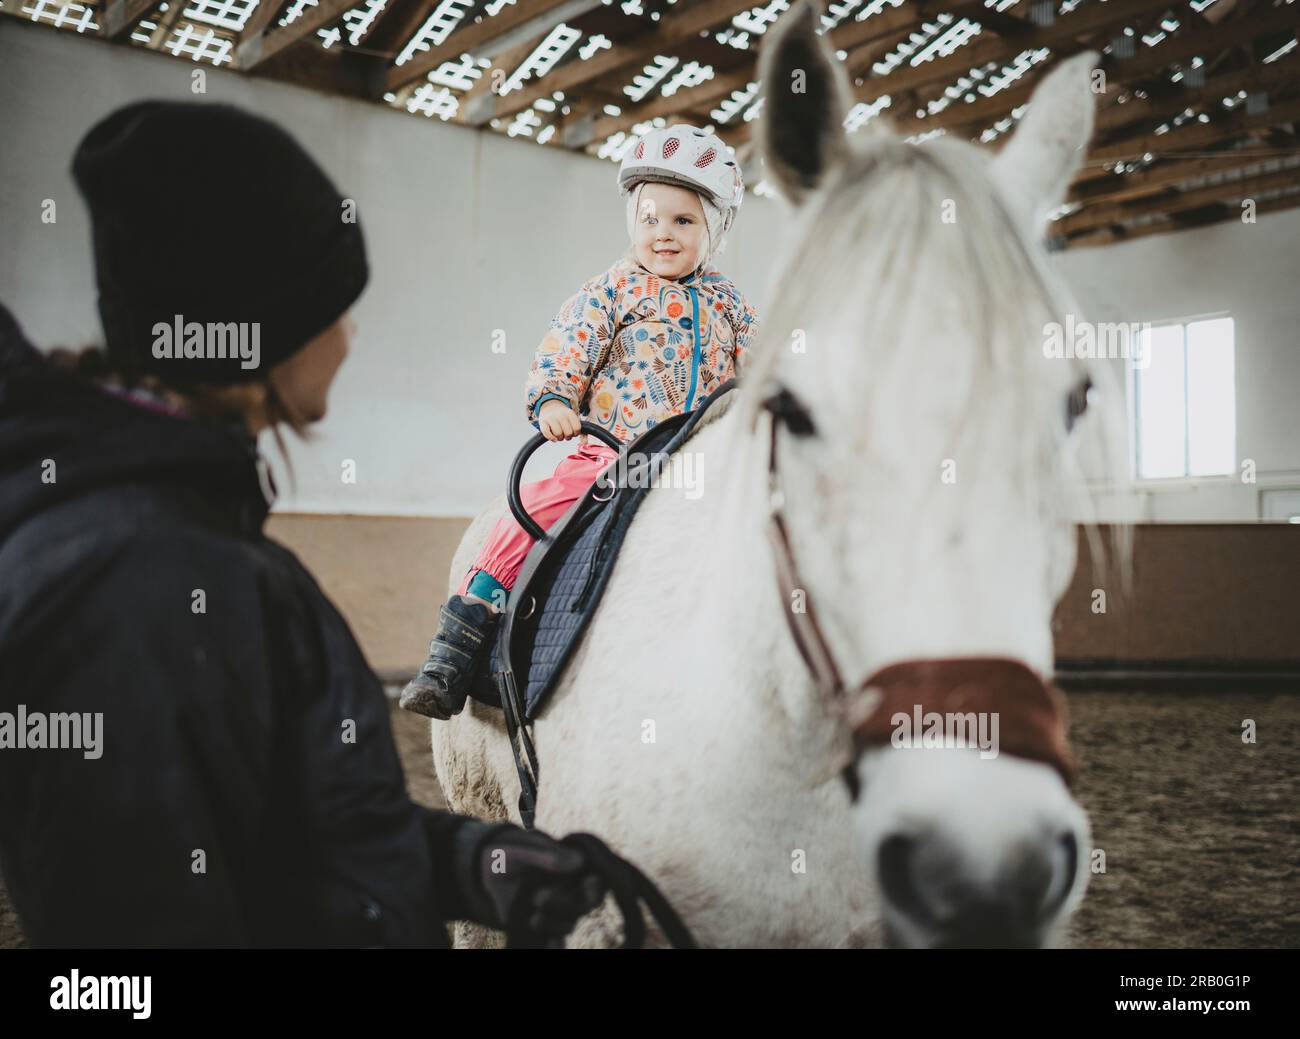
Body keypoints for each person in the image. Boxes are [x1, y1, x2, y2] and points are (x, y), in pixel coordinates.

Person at [0, 101, 608, 947]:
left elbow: (288, 837)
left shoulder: (173, 532)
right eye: (334, 306)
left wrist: (478, 865)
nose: (351, 334)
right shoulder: (142, 578)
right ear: (262, 329)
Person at [402, 124, 758, 720]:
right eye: (650, 219)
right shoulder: (611, 291)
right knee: (540, 505)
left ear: (714, 229)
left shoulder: (731, 303)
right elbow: (567, 348)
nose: (662, 235)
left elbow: (760, 363)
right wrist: (555, 401)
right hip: (615, 452)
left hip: (700, 457)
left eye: (683, 221)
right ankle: (463, 634)